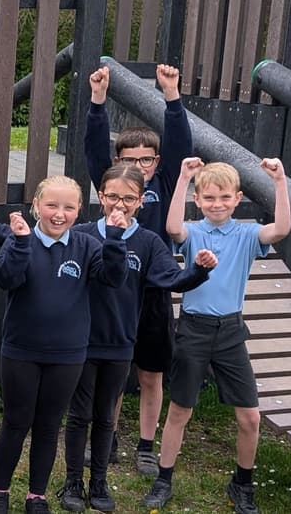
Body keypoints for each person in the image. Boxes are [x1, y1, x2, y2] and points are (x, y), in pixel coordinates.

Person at [57, 165, 216, 514]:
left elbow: (172, 279)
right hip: (80, 342)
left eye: (129, 198)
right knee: (79, 415)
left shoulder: (148, 242)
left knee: (105, 417)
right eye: (113, 196)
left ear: (141, 201)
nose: (120, 204)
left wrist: (199, 270)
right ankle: (73, 482)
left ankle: (99, 483)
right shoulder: (82, 234)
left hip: (120, 342)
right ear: (100, 196)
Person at [143, 157, 290, 514]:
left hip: (231, 331)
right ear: (198, 199)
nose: (217, 204)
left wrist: (280, 182)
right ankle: (164, 478)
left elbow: (281, 230)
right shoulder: (194, 232)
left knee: (250, 417)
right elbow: (173, 227)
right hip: (193, 329)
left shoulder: (247, 234)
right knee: (180, 409)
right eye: (208, 198)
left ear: (237, 199)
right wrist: (183, 178)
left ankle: (242, 483)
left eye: (225, 197)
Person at [0, 176, 128, 514]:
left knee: (48, 426)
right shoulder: (19, 240)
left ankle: (37, 495)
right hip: (21, 351)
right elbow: (5, 278)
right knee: (16, 422)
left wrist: (115, 240)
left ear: (79, 210)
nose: (59, 214)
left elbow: (112, 278)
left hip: (68, 355)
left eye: (68, 207)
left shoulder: (87, 246)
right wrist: (20, 243)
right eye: (51, 205)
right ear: (36, 206)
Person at [83, 63, 192, 477]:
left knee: (150, 375)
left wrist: (172, 97)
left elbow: (180, 145)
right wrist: (97, 101)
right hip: (112, 293)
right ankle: (105, 437)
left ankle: (146, 445)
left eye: (147, 160)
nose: (139, 166)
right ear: (117, 162)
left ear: (156, 162)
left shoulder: (161, 185)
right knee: (111, 374)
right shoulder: (112, 185)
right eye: (130, 159)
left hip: (152, 295)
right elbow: (94, 148)